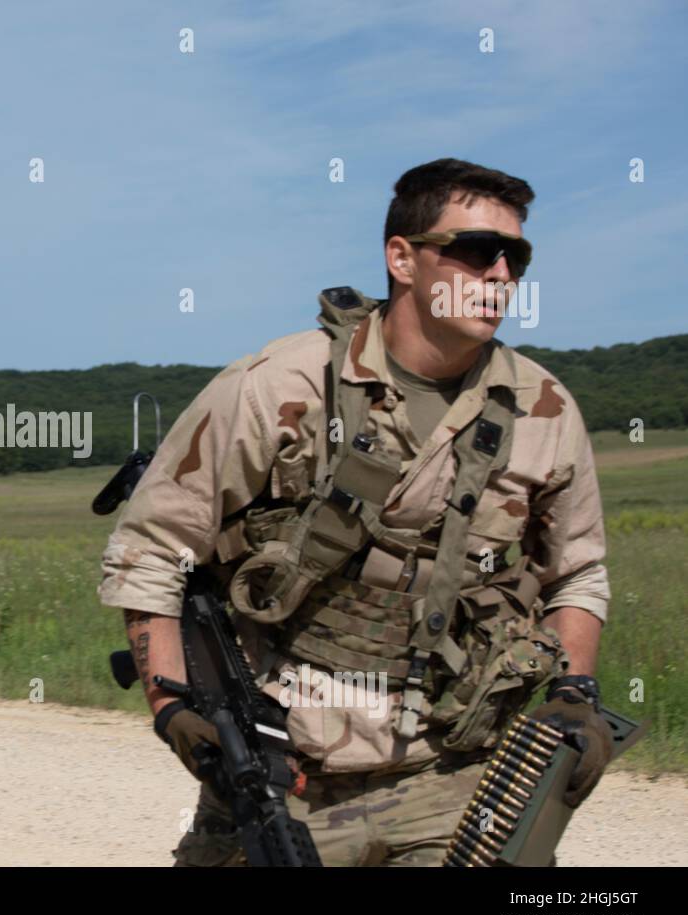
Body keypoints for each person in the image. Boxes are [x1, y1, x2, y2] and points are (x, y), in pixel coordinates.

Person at [99, 158, 614, 866]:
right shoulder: (280, 385)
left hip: (453, 773)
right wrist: (174, 707)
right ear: (402, 258)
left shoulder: (543, 410)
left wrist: (574, 692)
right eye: (474, 250)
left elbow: (576, 574)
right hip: (282, 773)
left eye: (515, 257)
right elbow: (154, 548)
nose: (500, 275)